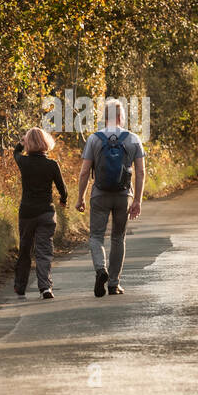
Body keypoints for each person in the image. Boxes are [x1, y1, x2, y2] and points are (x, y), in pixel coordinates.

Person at [76, 99, 145, 297]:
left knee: (96, 236)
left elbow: (84, 172)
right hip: (124, 196)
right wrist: (138, 200)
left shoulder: (94, 139)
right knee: (118, 238)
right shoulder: (133, 139)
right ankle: (114, 284)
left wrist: (80, 197)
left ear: (104, 117)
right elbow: (140, 172)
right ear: (121, 117)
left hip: (100, 195)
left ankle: (100, 269)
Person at [13, 126, 67, 299]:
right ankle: (45, 287)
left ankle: (20, 287)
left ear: (28, 143)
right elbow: (62, 189)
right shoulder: (52, 165)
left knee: (25, 249)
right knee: (44, 251)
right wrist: (63, 200)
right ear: (46, 142)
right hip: (46, 213)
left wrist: (21, 143)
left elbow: (15, 152)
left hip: (27, 213)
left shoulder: (23, 162)